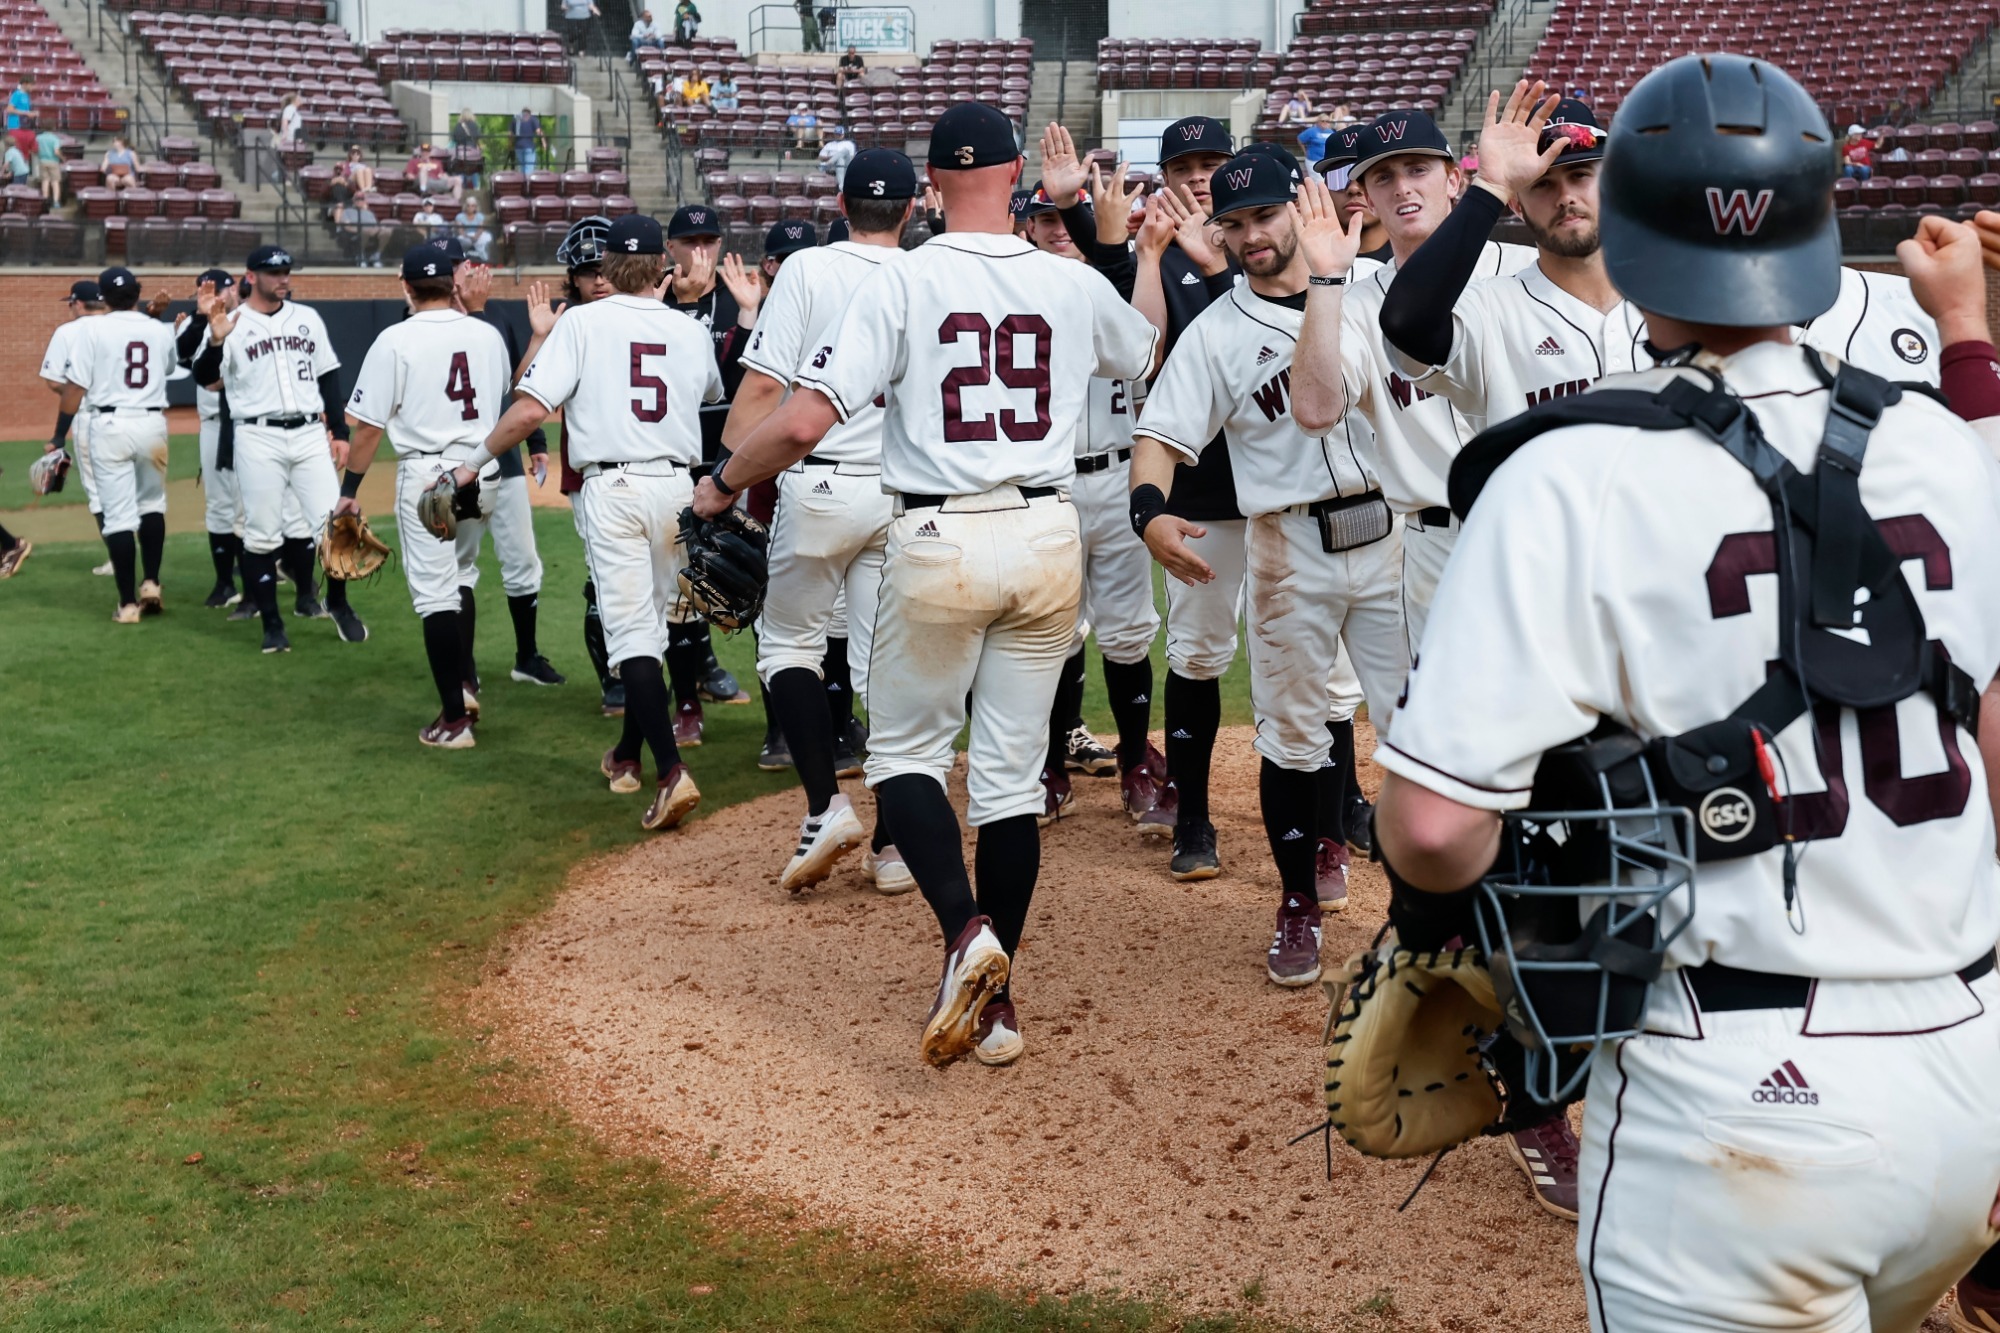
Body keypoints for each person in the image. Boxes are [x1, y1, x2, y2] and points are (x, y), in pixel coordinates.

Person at [1373, 54, 2000, 1331]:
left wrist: (1463, 935)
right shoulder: (1942, 441)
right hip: (1964, 1066)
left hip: (1732, 1100)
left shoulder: (1570, 471)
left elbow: (1434, 829)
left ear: (1644, 253)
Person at [692, 101, 1159, 1070]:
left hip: (938, 528)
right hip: (1044, 527)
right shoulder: (1063, 281)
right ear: (1014, 170)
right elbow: (1140, 346)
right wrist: (1098, 240)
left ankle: (963, 933)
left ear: (929, 185)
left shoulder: (904, 276)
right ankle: (998, 1003)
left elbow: (802, 422)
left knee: (906, 755)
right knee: (1006, 780)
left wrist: (721, 483)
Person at [1131, 158, 1403, 990]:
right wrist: (1149, 511)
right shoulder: (1218, 330)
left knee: (1419, 727)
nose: (1251, 236)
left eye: (1265, 215)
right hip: (1291, 544)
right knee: (1290, 734)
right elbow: (1160, 435)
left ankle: (1432, 910)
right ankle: (1297, 902)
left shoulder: (1379, 288)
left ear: (1305, 206)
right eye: (1233, 222)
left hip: (1397, 534)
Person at [468, 212, 719, 831]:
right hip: (676, 484)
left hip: (614, 485)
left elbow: (529, 411)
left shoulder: (581, 321)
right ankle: (630, 754)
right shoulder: (688, 329)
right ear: (662, 267)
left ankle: (669, 771)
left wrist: (470, 463)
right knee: (656, 623)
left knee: (631, 632)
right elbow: (713, 394)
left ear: (607, 269)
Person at [721, 150, 912, 894]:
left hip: (823, 482)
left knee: (789, 644)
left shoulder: (803, 268)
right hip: (903, 491)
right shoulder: (923, 271)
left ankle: (823, 806)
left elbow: (767, 385)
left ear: (840, 201)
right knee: (884, 666)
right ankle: (894, 846)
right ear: (909, 209)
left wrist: (726, 483)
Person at [1022, 132, 1170, 830]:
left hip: (1116, 474)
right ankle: (1050, 763)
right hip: (1044, 485)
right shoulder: (1015, 288)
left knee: (1129, 631)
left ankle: (1138, 761)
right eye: (1045, 219)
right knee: (1050, 630)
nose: (1057, 231)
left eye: (1064, 219)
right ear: (1026, 225)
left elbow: (1147, 354)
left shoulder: (1108, 281)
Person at [336, 245, 517, 747]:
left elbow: (369, 429)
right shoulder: (486, 333)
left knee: (436, 595)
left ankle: (454, 720)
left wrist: (349, 491)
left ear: (405, 285)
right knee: (462, 576)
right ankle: (465, 682)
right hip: (480, 469)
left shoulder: (394, 339)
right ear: (453, 285)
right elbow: (501, 393)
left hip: (428, 474)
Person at [190, 244, 366, 653]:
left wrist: (339, 431)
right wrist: (215, 342)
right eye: (274, 273)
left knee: (335, 525)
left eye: (287, 271)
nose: (284, 278)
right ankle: (272, 624)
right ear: (250, 277)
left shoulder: (307, 318)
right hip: (256, 435)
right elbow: (203, 376)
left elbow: (328, 376)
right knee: (262, 534)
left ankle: (337, 602)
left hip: (308, 433)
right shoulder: (230, 322)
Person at [439, 244, 564, 700]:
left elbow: (519, 387)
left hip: (503, 459)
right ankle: (464, 668)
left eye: (472, 265)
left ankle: (527, 657)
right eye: (460, 266)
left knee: (523, 561)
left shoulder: (495, 319)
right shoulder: (427, 322)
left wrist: (536, 444)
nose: (470, 273)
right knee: (459, 567)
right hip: (454, 463)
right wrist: (472, 310)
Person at [663, 202, 763, 738]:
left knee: (729, 574)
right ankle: (685, 704)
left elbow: (739, 381)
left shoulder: (736, 299)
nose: (701, 251)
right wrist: (680, 309)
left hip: (727, 460)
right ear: (670, 249)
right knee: (680, 586)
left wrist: (747, 317)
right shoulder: (655, 300)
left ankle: (706, 671)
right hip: (673, 457)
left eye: (710, 240)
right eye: (690, 241)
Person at [61, 267, 179, 624]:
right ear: (137, 292)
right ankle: (152, 583)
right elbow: (170, 367)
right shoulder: (157, 329)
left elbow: (75, 387)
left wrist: (56, 435)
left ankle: (128, 605)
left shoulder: (91, 328)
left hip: (109, 424)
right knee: (152, 504)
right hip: (151, 423)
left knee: (117, 517)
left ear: (102, 296)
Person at [40, 281, 109, 574]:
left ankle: (119, 558)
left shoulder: (68, 332)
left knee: (98, 491)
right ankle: (149, 570)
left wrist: (77, 393)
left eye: (71, 303)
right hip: (139, 420)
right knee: (136, 491)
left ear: (78, 304)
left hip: (89, 418)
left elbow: (55, 381)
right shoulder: (122, 326)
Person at [334, 196, 385, 266]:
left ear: (364, 202)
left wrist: (374, 231)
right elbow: (347, 226)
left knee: (386, 233)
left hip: (372, 233)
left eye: (361, 200)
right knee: (365, 232)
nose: (359, 201)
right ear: (353, 201)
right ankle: (361, 257)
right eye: (357, 200)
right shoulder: (347, 211)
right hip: (355, 234)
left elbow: (375, 226)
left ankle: (376, 256)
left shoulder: (369, 213)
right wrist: (360, 230)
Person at [512, 108, 545, 175]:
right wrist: (543, 142)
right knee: (529, 166)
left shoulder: (516, 119)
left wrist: (510, 145)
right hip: (529, 146)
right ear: (529, 113)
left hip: (518, 146)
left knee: (522, 166)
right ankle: (527, 183)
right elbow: (538, 132)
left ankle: (523, 182)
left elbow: (510, 134)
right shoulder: (532, 119)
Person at [35, 124, 61, 206]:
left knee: (45, 181)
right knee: (55, 182)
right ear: (53, 128)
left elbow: (36, 149)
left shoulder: (38, 138)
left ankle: (45, 200)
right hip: (53, 162)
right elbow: (56, 152)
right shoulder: (55, 139)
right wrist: (63, 158)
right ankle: (56, 202)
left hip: (42, 161)